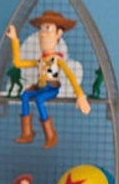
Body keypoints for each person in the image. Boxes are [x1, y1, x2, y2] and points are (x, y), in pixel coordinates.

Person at [6, 10, 91, 148]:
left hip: (51, 88)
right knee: (25, 95)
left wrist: (80, 95)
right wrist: (15, 40)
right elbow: (18, 63)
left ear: (58, 33)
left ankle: (50, 135)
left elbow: (70, 76)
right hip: (40, 87)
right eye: (41, 29)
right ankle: (27, 132)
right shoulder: (40, 60)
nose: (42, 33)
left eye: (48, 28)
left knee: (39, 100)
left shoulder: (57, 60)